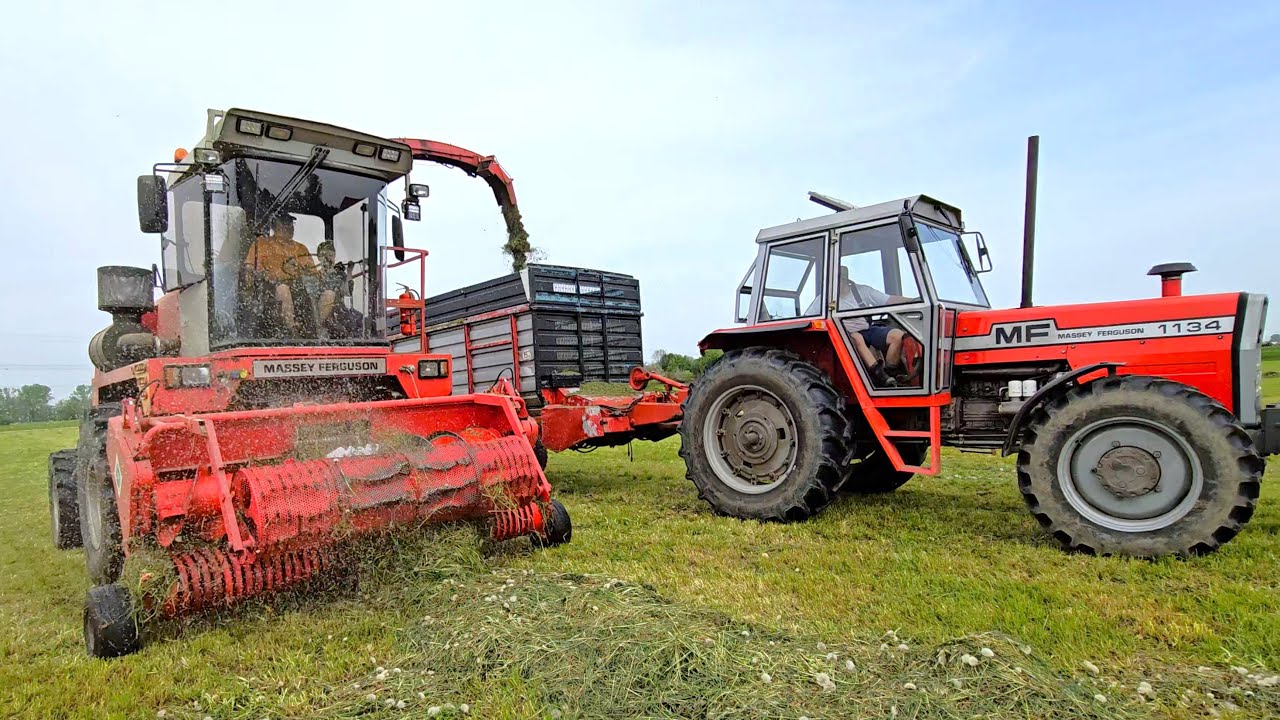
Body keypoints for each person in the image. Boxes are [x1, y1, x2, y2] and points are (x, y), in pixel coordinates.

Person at [836, 265, 913, 387]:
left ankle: (890, 373)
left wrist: (914, 300)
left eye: (840, 280)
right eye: (835, 281)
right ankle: (879, 375)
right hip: (843, 333)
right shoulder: (825, 299)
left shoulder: (862, 291)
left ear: (846, 280)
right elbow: (809, 315)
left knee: (898, 335)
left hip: (867, 329)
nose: (838, 284)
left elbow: (888, 300)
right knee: (858, 338)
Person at [243, 213, 317, 334]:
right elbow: (249, 269)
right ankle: (292, 330)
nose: (288, 226)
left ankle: (317, 333)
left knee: (318, 294)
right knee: (283, 289)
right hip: (269, 288)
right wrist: (251, 287)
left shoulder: (301, 248)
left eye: (290, 223)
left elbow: (313, 276)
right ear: (274, 226)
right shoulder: (261, 243)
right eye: (284, 223)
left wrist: (303, 273)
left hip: (297, 288)